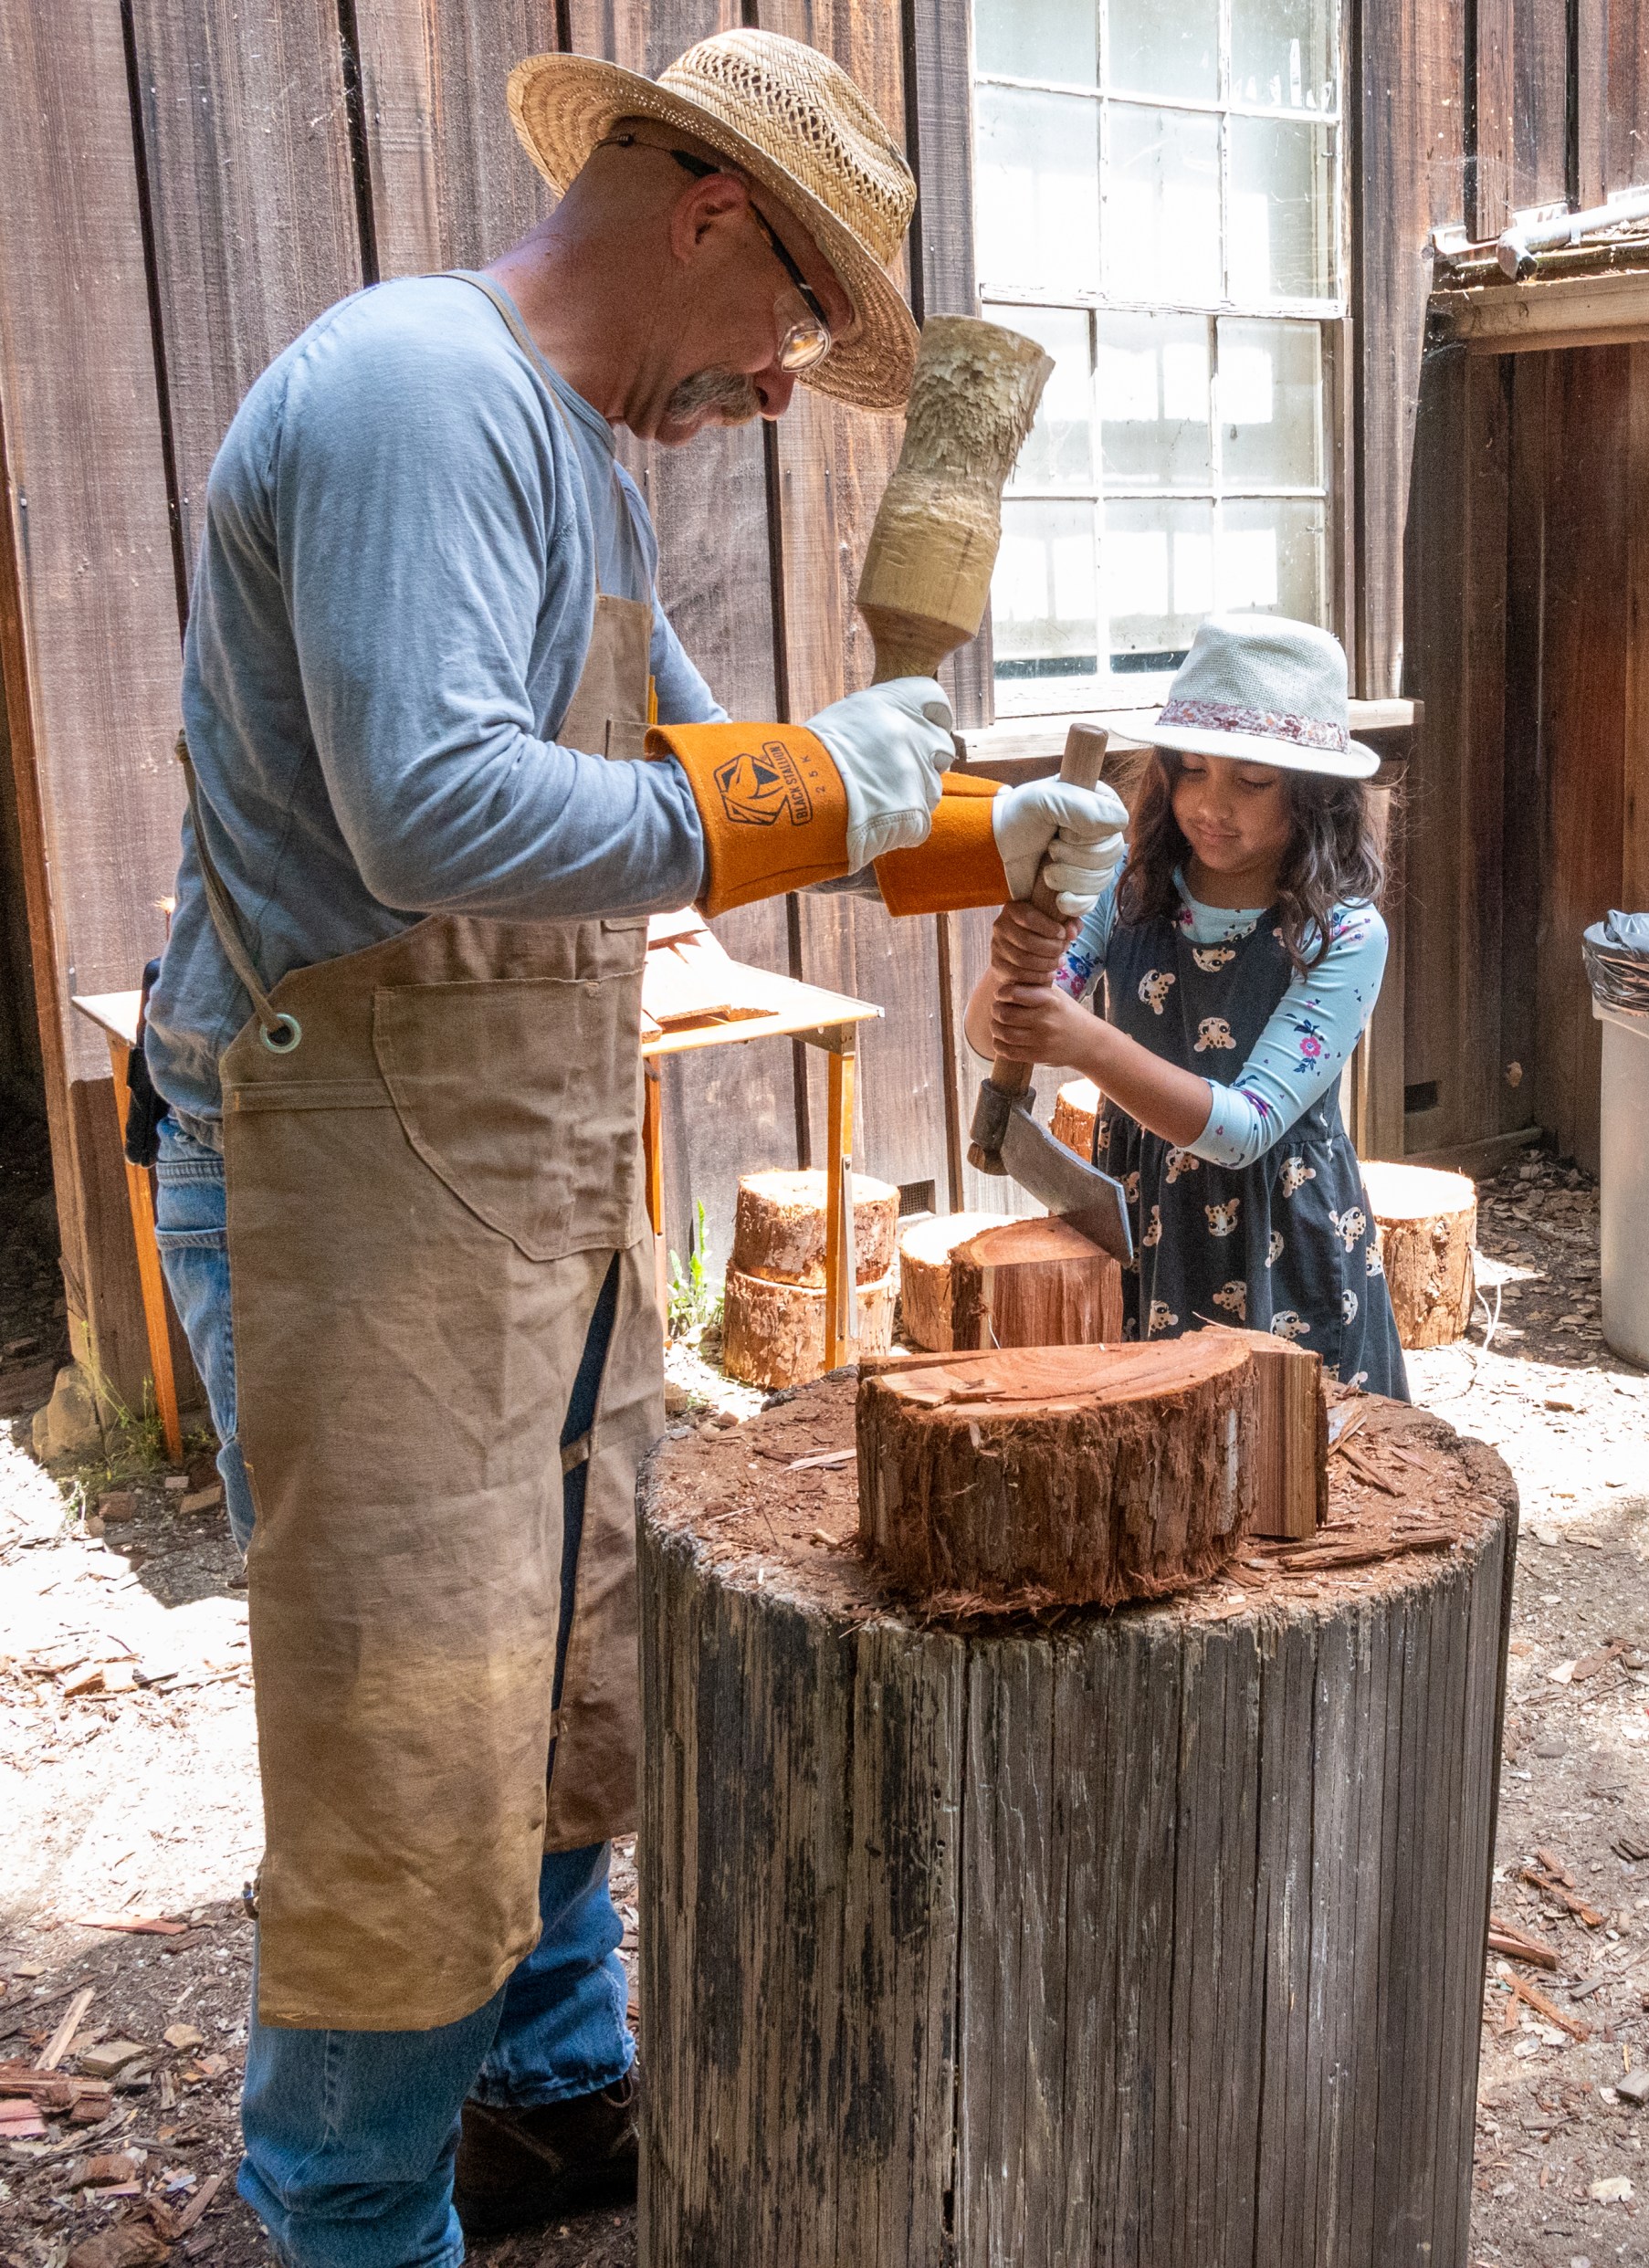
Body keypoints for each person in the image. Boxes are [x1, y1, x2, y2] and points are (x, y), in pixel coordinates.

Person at [142, 29, 1128, 2268]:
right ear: (705, 215)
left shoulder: (574, 457)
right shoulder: (419, 396)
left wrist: (975, 830)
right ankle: (352, 2212)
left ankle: (549, 2090)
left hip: (516, 1160)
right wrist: (829, 782)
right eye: (795, 325)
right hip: (345, 1165)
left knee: (576, 1637)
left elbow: (706, 773)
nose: (782, 388)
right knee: (416, 1723)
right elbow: (434, 812)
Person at [966, 613, 1408, 1398]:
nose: (1211, 803)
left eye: (1252, 781)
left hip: (1283, 1241)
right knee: (1160, 1432)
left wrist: (1083, 1041)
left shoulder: (1341, 935)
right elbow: (987, 1033)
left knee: (1289, 1443)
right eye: (1192, 770)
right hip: (1148, 1219)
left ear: (1316, 793)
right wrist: (1013, 967)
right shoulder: (1123, 888)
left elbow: (1245, 1132)